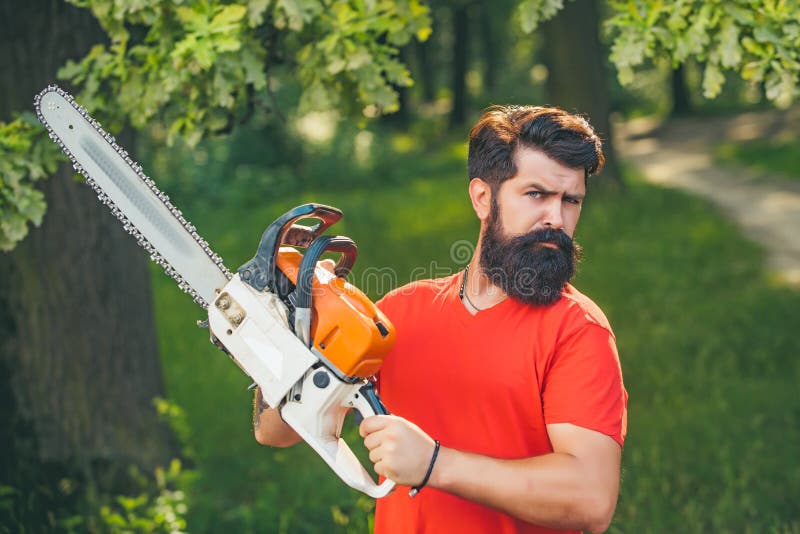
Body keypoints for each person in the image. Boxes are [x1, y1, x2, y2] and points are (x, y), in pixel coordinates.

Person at [253, 105, 628, 534]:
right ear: (483, 198)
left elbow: (591, 498)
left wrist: (435, 464)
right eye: (537, 195)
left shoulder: (578, 331)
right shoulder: (397, 315)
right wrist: (284, 341)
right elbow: (276, 433)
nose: (556, 219)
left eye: (571, 200)